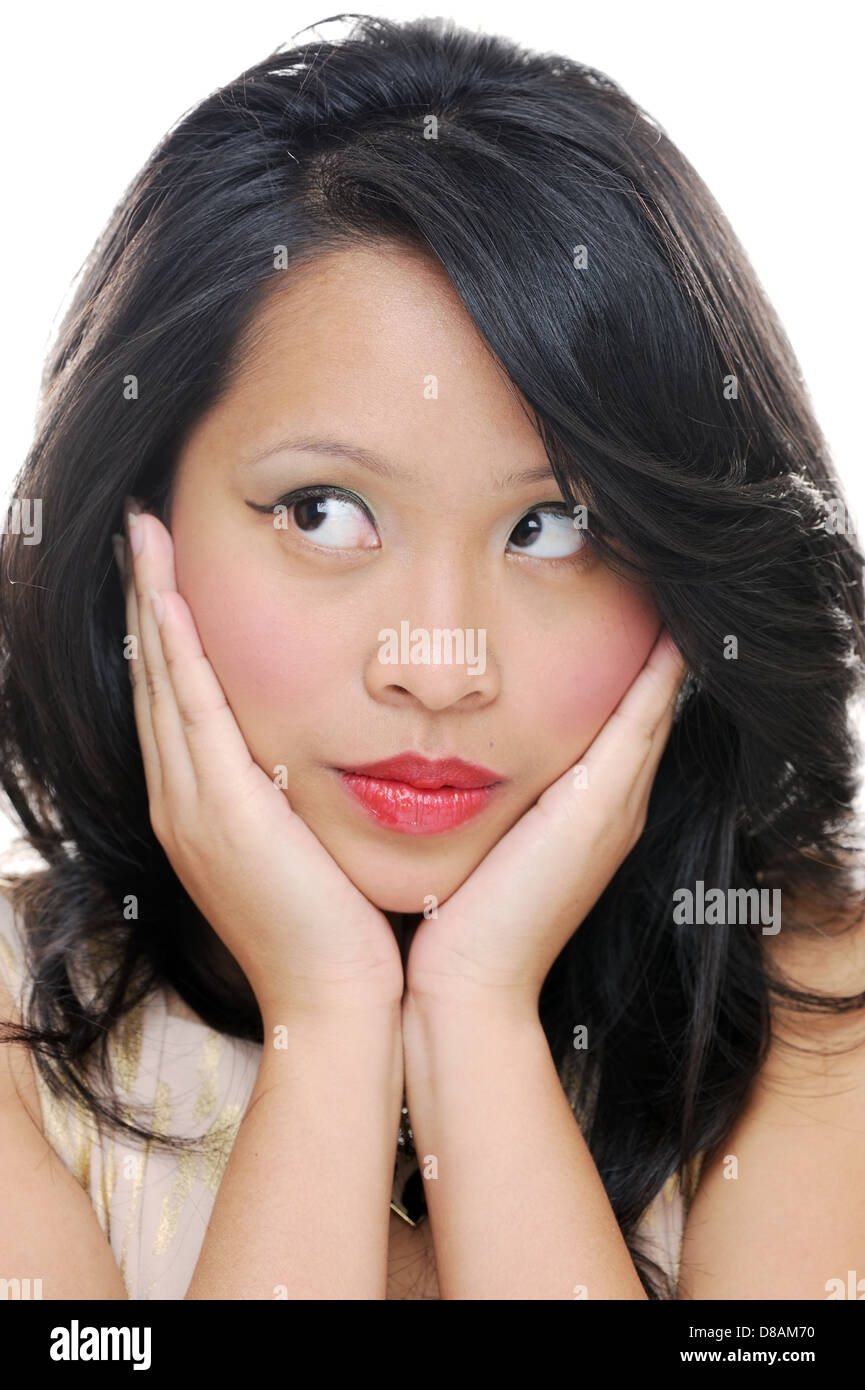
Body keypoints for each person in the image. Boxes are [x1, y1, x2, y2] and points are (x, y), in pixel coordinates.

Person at [1, 13, 863, 1302]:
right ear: (142, 531)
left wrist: (479, 1018)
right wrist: (329, 1017)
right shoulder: (18, 1035)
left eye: (555, 527)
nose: (439, 661)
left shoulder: (821, 1002)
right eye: (322, 513)